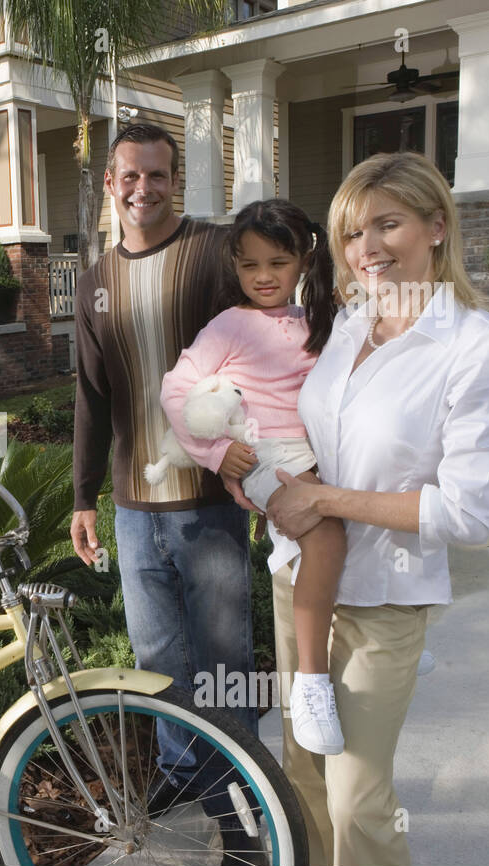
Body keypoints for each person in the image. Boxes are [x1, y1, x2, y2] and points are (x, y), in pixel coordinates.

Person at [260, 151, 489, 866]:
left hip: (384, 599)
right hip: (297, 581)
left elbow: (470, 514)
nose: (366, 249)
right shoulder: (350, 323)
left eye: (388, 224)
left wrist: (323, 498)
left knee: (359, 803)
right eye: (351, 233)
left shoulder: (479, 347)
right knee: (302, 775)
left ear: (437, 226)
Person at [71, 122, 256, 791]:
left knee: (223, 662)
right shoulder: (94, 281)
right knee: (158, 660)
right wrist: (80, 497)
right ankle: (185, 776)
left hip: (208, 502)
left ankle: (240, 787)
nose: (142, 189)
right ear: (111, 185)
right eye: (130, 176)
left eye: (156, 175)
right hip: (132, 509)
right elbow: (91, 396)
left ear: (175, 180)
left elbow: (258, 356)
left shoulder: (214, 251)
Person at [160, 199, 347, 755]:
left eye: (278, 262)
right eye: (250, 265)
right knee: (328, 532)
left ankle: (374, 634)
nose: (263, 277)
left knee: (357, 521)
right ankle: (313, 682)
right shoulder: (229, 325)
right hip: (263, 454)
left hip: (318, 452)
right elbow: (175, 389)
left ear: (306, 260)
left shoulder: (321, 318)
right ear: (234, 268)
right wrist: (217, 454)